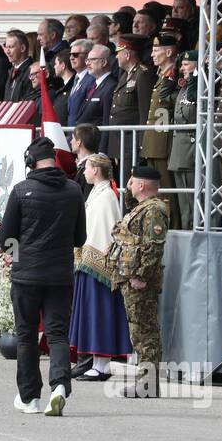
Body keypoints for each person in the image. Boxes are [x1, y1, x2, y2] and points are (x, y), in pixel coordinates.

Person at [0, 137, 86, 417]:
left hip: (26, 275)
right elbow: (79, 238)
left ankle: (29, 398)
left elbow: (5, 240)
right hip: (60, 274)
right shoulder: (73, 190)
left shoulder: (22, 190)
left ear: (29, 162)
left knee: (26, 336)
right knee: (57, 333)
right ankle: (59, 387)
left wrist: (18, 252)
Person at [108, 165, 170, 398]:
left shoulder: (154, 210)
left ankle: (148, 384)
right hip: (132, 277)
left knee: (145, 333)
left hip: (139, 280)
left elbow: (154, 247)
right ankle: (146, 381)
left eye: (132, 181)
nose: (129, 185)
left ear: (142, 185)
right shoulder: (142, 208)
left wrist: (141, 276)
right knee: (139, 332)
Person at [69, 153, 131, 382]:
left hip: (99, 266)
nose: (83, 171)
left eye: (86, 167)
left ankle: (102, 365)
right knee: (92, 314)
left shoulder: (106, 197)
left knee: (100, 313)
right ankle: (96, 363)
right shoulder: (98, 193)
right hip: (89, 262)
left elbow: (107, 232)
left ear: (96, 169)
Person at [143, 34, 180, 227]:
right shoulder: (162, 74)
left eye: (156, 50)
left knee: (166, 189)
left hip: (163, 141)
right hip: (155, 140)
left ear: (169, 51)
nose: (152, 54)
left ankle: (171, 224)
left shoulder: (173, 74)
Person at [109, 35, 155, 179]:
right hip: (121, 143)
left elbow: (144, 112)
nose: (116, 57)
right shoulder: (125, 75)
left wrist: (142, 146)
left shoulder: (143, 74)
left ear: (127, 54)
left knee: (130, 189)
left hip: (133, 144)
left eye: (118, 53)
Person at [167, 50, 198, 227]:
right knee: (183, 200)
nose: (182, 68)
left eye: (187, 64)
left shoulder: (196, 85)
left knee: (191, 199)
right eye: (182, 65)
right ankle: (187, 228)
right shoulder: (184, 86)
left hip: (189, 148)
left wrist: (197, 75)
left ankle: (191, 229)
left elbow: (193, 99)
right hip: (179, 148)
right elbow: (165, 95)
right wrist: (171, 76)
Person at [70, 43, 116, 135]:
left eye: (93, 59)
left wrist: (102, 149)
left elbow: (106, 123)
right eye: (87, 60)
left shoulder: (110, 86)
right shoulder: (95, 85)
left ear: (104, 62)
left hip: (96, 143)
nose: (87, 63)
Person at [2, 29, 32, 102]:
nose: (7, 51)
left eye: (11, 47)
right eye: (6, 47)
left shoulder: (31, 70)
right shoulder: (12, 70)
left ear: (22, 48)